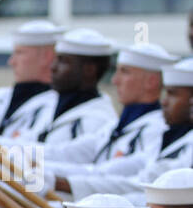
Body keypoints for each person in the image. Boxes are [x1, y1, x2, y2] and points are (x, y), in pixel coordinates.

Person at [48, 42, 176, 197]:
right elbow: (68, 153)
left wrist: (54, 179)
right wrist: (24, 158)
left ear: (152, 81)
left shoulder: (156, 130)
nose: (115, 80)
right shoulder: (114, 127)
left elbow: (107, 174)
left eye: (125, 72)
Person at [0, 20, 63, 141]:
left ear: (46, 57)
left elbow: (29, 150)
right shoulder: (5, 97)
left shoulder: (56, 107)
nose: (11, 62)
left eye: (20, 53)